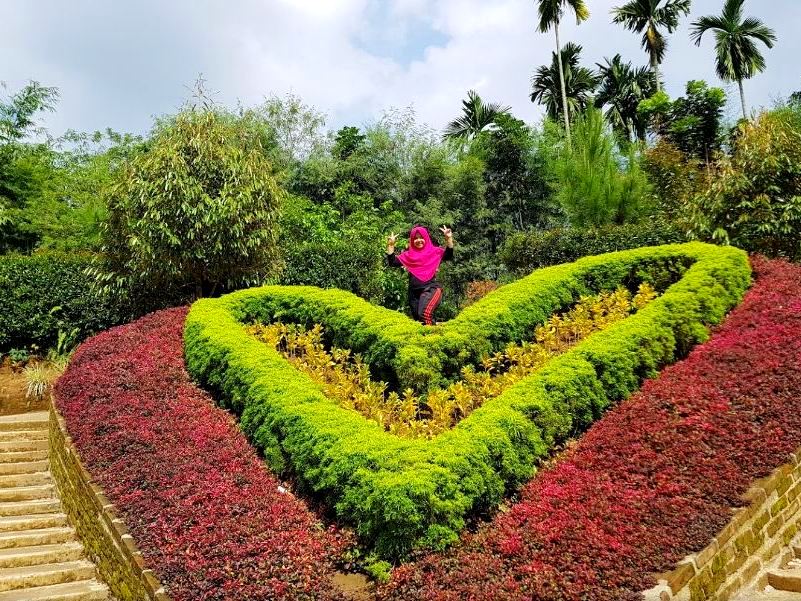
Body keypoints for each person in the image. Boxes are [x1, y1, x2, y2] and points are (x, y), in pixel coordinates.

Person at [386, 225, 454, 325]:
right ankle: (435, 333)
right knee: (420, 321)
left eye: (421, 237)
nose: (418, 240)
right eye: (415, 238)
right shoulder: (408, 255)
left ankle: (432, 335)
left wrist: (448, 238)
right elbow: (392, 262)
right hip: (413, 294)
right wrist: (391, 245)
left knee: (425, 314)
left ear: (426, 238)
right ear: (411, 240)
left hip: (431, 289)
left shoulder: (435, 252)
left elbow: (449, 255)